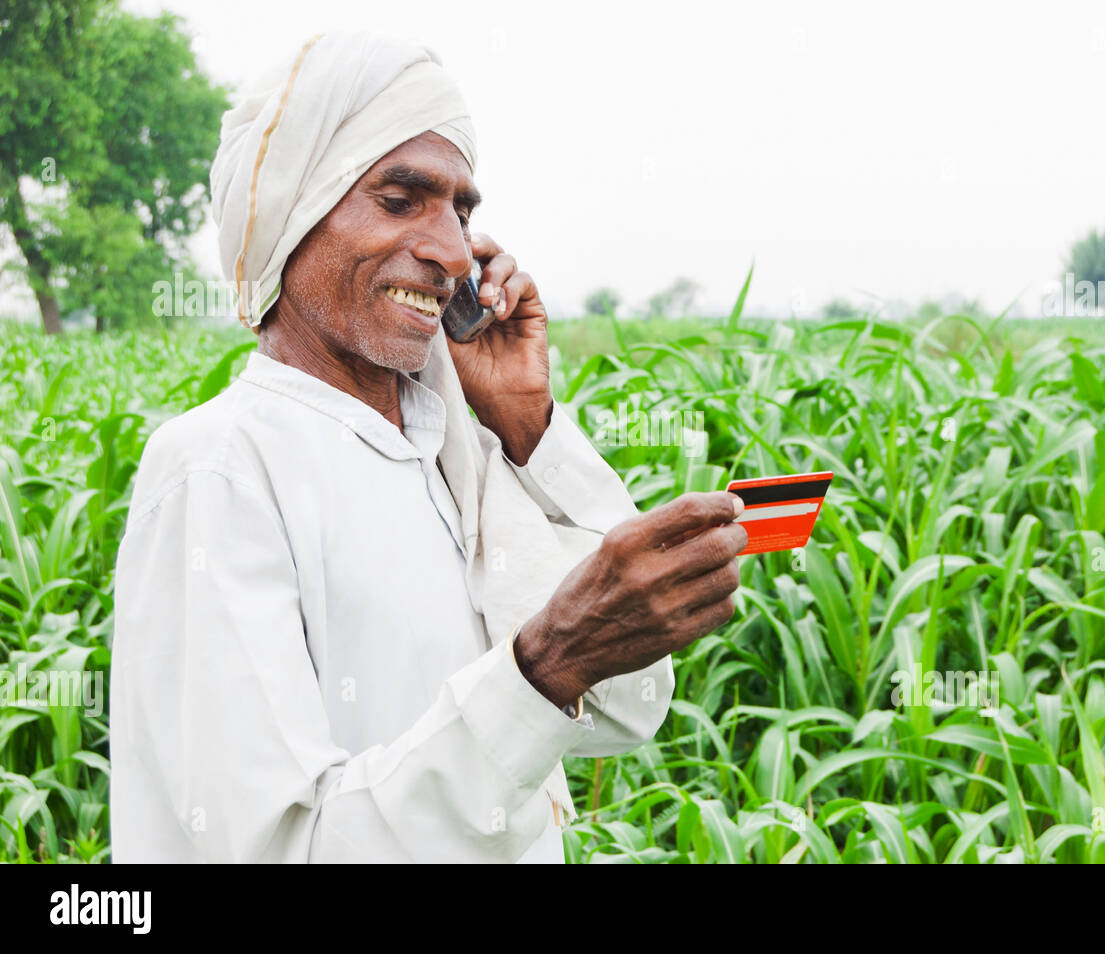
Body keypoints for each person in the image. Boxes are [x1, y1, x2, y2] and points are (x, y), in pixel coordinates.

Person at [108, 31, 747, 863]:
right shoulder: (220, 467)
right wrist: (543, 667)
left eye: (462, 210)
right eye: (402, 199)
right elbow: (273, 850)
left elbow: (624, 710)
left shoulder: (457, 452)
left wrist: (527, 427)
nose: (451, 251)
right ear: (295, 211)